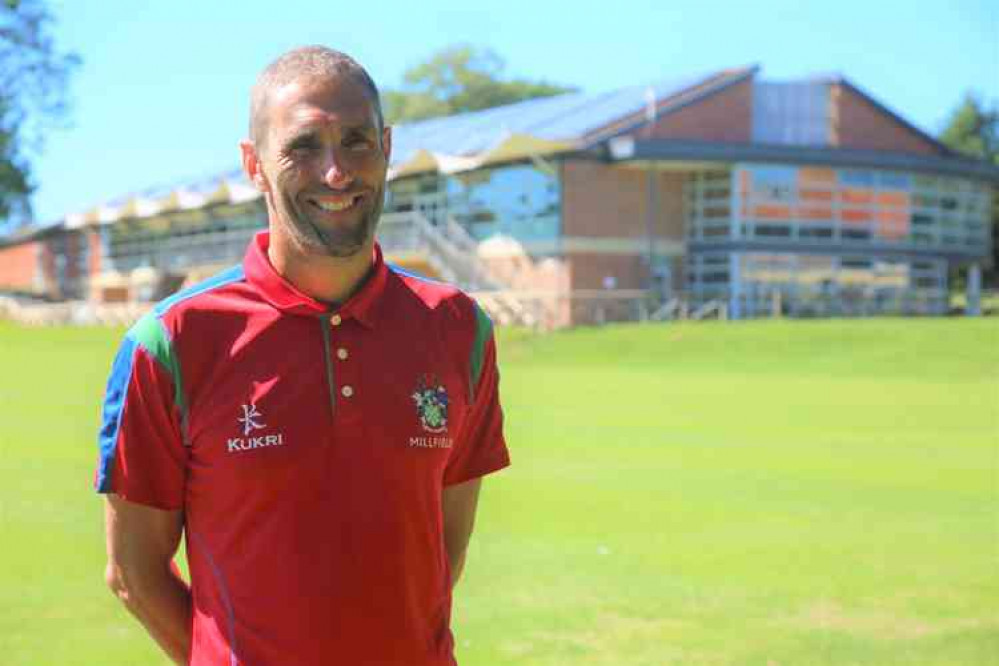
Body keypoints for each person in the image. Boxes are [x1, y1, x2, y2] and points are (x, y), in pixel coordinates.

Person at [95, 45, 509, 666]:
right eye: (303, 146)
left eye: (357, 141)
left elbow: (443, 546)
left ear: (388, 148)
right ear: (254, 164)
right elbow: (134, 572)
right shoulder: (172, 343)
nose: (336, 172)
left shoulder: (457, 328)